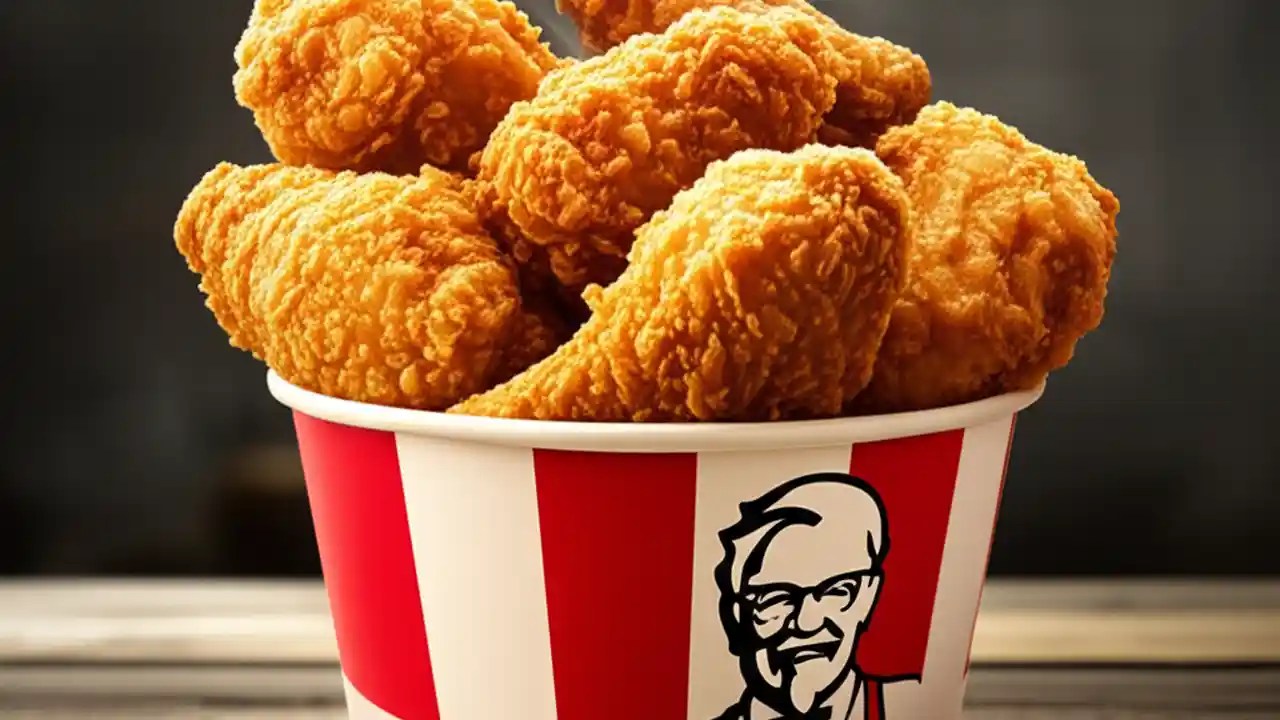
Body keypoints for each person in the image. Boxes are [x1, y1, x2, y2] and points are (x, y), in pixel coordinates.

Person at [713, 472, 900, 720]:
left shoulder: (921, 703)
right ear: (735, 618)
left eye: (837, 591)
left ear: (868, 597)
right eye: (775, 597)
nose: (807, 622)